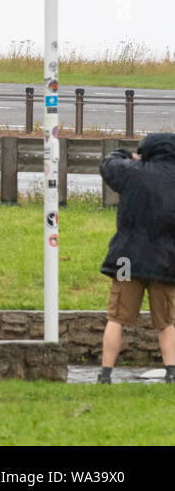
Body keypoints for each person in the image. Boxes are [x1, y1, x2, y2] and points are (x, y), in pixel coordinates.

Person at [97, 132, 175, 383]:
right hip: (165, 261)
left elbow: (107, 164)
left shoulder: (130, 170)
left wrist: (126, 154)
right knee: (166, 321)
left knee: (116, 317)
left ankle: (105, 373)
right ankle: (172, 373)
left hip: (125, 259)